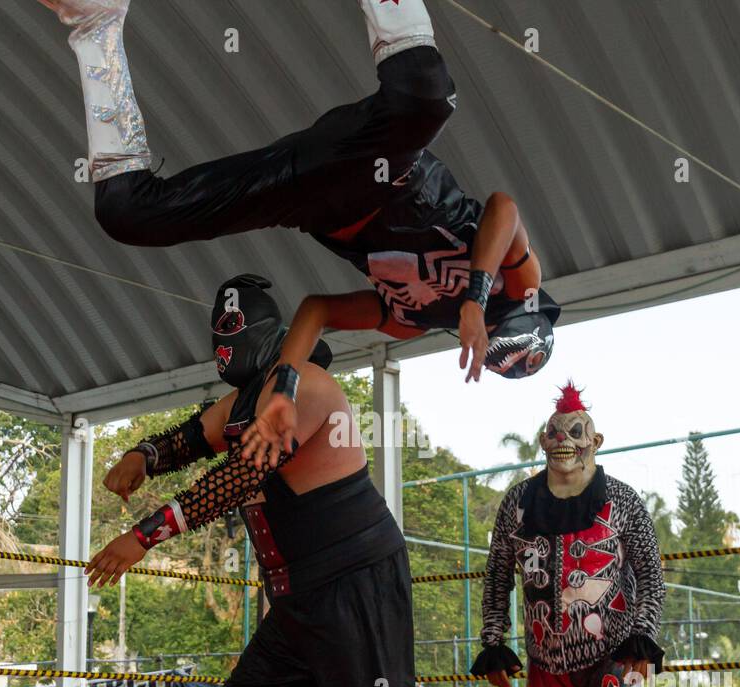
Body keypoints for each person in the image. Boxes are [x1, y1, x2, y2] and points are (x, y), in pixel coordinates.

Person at [38, 0, 558, 429]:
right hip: (379, 169)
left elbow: (318, 310)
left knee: (129, 214)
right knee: (428, 97)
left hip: (304, 196)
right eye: (490, 326)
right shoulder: (519, 280)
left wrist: (285, 385)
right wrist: (477, 296)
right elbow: (503, 209)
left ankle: (96, 25)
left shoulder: (408, 323)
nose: (477, 331)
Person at [88, 276, 435, 687]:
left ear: (268, 335)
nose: (224, 344)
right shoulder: (246, 399)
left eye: (233, 330)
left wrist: (144, 536)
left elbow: (241, 475)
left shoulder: (310, 387)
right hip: (300, 602)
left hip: (357, 587)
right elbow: (194, 436)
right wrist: (142, 455)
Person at [475, 383, 666, 687]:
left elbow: (651, 574)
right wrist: (492, 642)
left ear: (595, 441)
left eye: (577, 432)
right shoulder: (516, 505)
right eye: (557, 432)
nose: (566, 441)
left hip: (615, 653)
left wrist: (644, 633)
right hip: (547, 660)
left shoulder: (622, 501)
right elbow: (498, 575)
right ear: (543, 440)